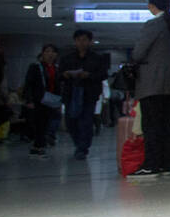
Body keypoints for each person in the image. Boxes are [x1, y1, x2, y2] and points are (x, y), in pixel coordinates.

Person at [129, 0, 170, 177]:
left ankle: (151, 164)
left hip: (151, 83)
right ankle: (165, 164)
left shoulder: (153, 25)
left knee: (150, 124)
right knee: (167, 124)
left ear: (152, 5)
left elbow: (138, 53)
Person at [59, 29, 110, 160]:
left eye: (84, 40)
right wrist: (66, 74)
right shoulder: (67, 58)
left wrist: (89, 75)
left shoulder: (97, 58)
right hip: (71, 93)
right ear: (75, 41)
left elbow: (103, 74)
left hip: (89, 94)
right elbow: (60, 75)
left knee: (86, 121)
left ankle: (83, 148)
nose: (82, 43)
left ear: (90, 41)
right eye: (79, 40)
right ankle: (78, 144)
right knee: (71, 121)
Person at [22, 44, 60, 157]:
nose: (50, 54)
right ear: (43, 53)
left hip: (52, 99)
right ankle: (39, 145)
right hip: (39, 99)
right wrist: (29, 99)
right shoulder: (36, 67)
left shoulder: (56, 68)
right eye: (47, 51)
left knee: (50, 122)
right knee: (40, 123)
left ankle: (38, 145)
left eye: (53, 52)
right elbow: (28, 83)